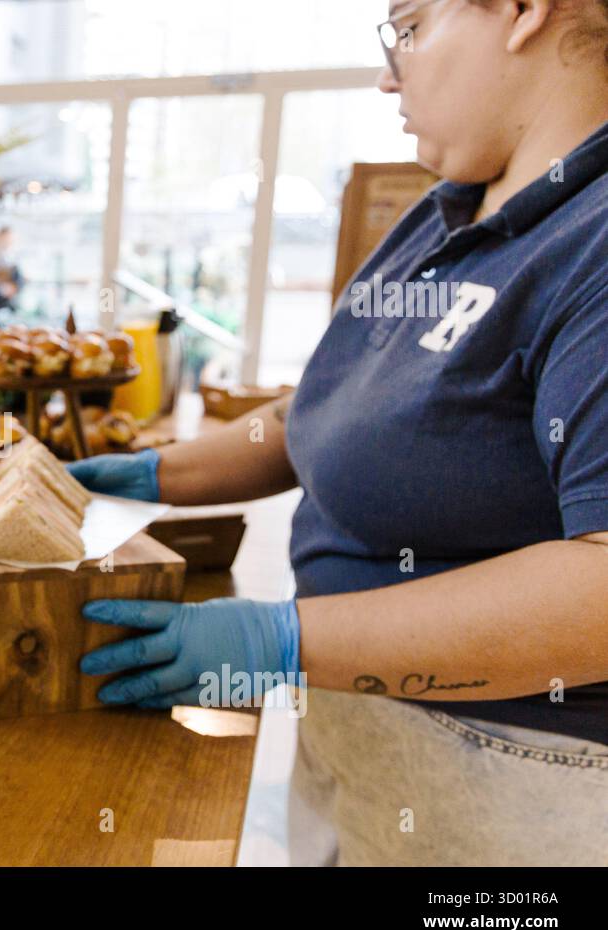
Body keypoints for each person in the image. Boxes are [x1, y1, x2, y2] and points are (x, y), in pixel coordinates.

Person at [69, 0, 608, 866]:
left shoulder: (594, 237)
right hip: (361, 735)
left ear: (520, 12)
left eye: (409, 27)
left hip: (517, 783)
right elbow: (326, 409)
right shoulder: (440, 216)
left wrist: (280, 639)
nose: (388, 72)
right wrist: (150, 474)